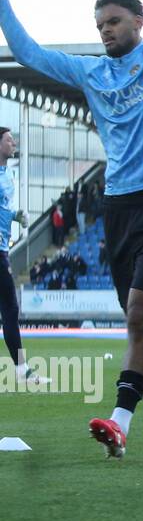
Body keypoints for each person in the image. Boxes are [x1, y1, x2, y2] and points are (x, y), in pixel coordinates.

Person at [2, 0, 143, 454]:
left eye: (114, 21)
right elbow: (31, 55)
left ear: (139, 20)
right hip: (119, 207)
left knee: (138, 315)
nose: (105, 30)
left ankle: (120, 422)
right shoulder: (91, 73)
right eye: (99, 24)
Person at [0, 129, 47, 386]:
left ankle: (21, 369)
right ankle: (21, 370)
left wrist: (14, 214)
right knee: (10, 306)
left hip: (2, 249)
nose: (13, 142)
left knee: (9, 306)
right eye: (9, 139)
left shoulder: (7, 176)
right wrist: (13, 216)